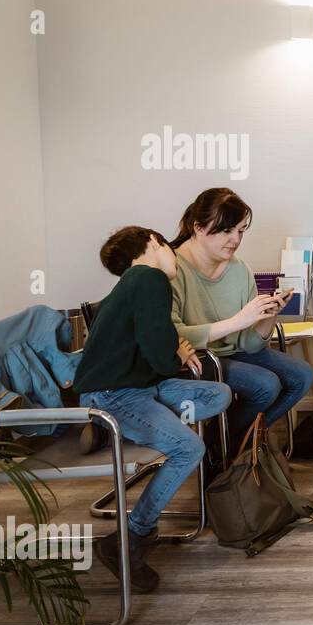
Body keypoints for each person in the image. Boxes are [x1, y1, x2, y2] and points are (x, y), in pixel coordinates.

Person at [75, 227, 233, 592]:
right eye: (168, 246)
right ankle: (129, 537)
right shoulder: (149, 278)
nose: (174, 254)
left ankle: (123, 428)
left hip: (139, 387)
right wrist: (176, 348)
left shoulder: (132, 284)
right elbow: (162, 357)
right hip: (115, 394)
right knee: (189, 448)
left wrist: (172, 346)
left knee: (218, 394)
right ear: (152, 242)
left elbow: (153, 352)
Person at [169, 188, 313, 444]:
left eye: (241, 231)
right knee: (266, 385)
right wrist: (237, 322)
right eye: (227, 231)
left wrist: (269, 316)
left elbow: (248, 343)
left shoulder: (240, 269)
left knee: (302, 375)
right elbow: (171, 333)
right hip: (197, 358)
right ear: (198, 228)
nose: (235, 239)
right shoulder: (173, 269)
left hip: (232, 353)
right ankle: (221, 447)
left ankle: (238, 445)